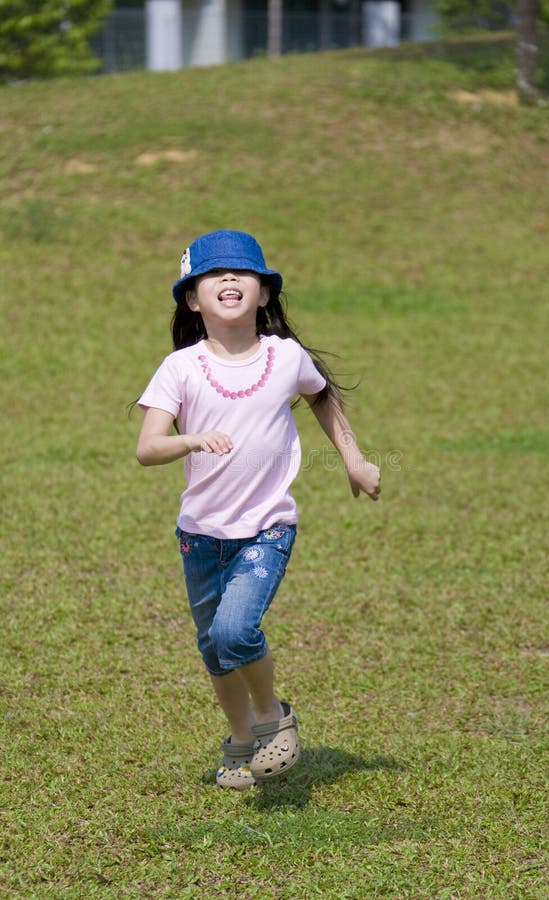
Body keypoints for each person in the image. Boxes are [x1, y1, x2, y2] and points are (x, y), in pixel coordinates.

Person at [136, 229, 381, 790]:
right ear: (193, 300)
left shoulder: (286, 357)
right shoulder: (180, 368)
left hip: (267, 527)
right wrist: (191, 440)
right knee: (215, 649)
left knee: (234, 630)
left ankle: (274, 718)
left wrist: (355, 461)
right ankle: (242, 739)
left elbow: (321, 396)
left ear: (264, 294)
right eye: (211, 275)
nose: (228, 280)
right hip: (200, 534)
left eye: (241, 273)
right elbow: (148, 448)